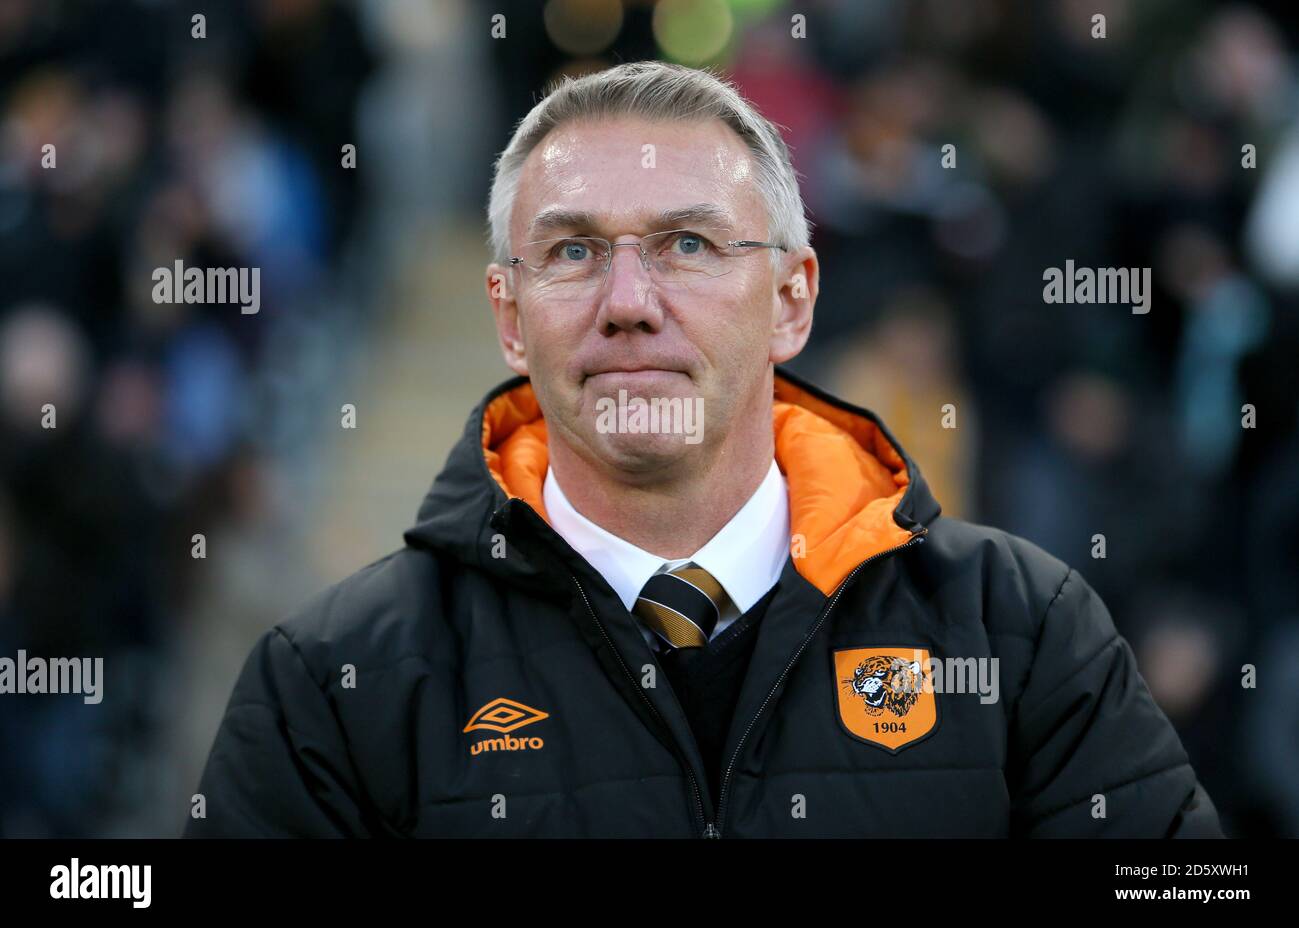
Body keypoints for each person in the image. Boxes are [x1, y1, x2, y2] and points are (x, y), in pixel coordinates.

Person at [185, 61, 1221, 838]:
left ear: (791, 298)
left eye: (688, 244)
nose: (629, 304)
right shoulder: (331, 681)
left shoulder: (1023, 634)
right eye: (573, 251)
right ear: (508, 317)